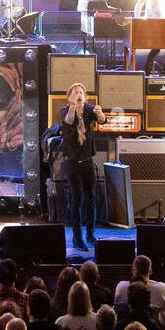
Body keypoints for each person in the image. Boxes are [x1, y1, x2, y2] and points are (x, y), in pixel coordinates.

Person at [59, 83, 106, 252]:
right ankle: (77, 238)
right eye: (75, 92)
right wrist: (73, 106)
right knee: (77, 199)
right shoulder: (65, 111)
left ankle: (90, 234)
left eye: (81, 92)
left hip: (87, 162)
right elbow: (69, 121)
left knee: (91, 198)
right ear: (69, 96)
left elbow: (102, 120)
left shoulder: (89, 109)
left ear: (85, 96)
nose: (79, 94)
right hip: (73, 163)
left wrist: (100, 113)